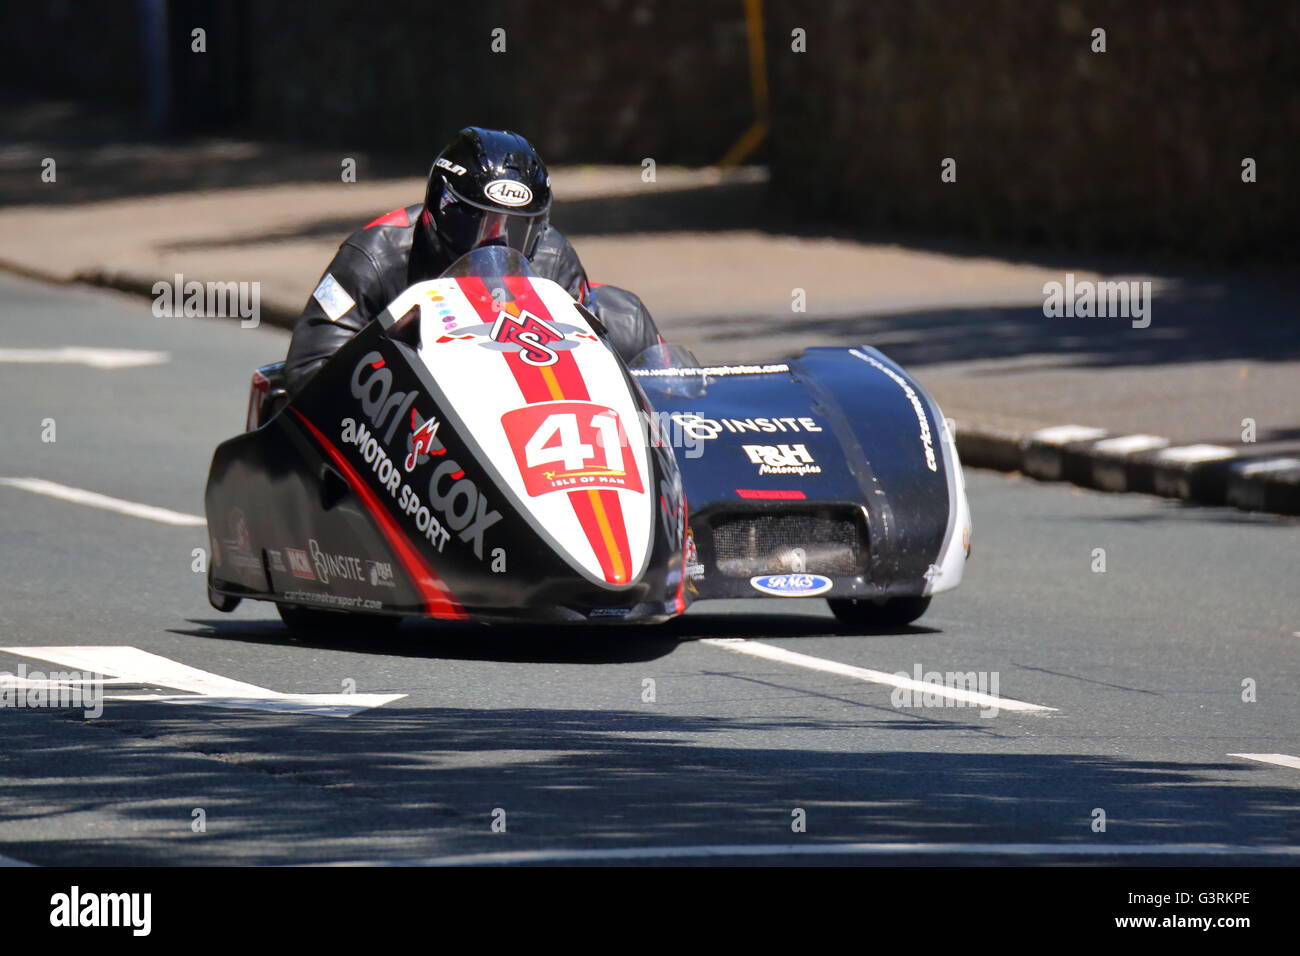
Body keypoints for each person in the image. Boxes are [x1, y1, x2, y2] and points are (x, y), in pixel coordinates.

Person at [284, 126, 661, 393]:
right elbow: (310, 372)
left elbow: (584, 361)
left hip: (519, 426)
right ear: (438, 208)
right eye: (474, 223)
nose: (494, 242)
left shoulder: (554, 260)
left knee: (624, 315)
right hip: (404, 438)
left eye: (516, 229)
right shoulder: (371, 257)